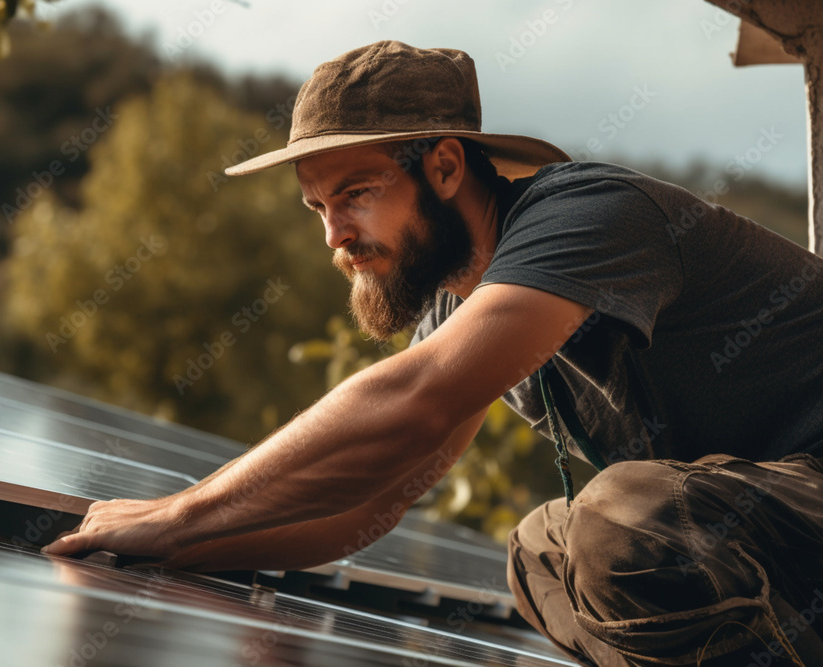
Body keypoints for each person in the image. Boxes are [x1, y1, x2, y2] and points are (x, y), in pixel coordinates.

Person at [41, 41, 823, 666]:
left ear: (446, 166)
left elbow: (414, 402)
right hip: (768, 533)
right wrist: (172, 554)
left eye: (356, 194)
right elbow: (370, 501)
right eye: (318, 207)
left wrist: (180, 513)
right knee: (539, 554)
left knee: (618, 526)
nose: (333, 237)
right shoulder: (459, 296)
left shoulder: (589, 214)